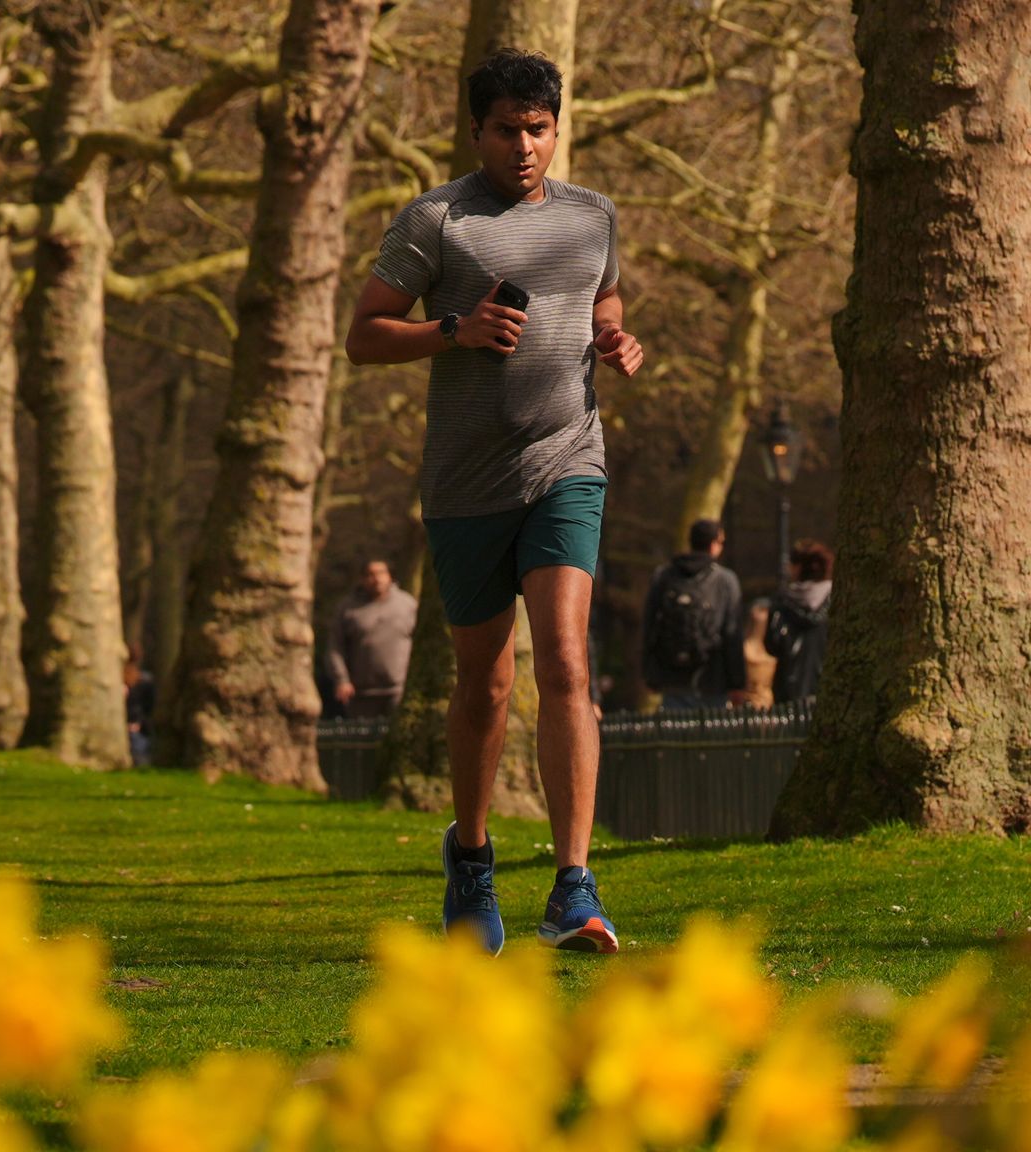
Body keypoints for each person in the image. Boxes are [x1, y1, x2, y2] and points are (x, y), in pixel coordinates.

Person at [345, 48, 643, 954]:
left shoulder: (593, 217)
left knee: (563, 661)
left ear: (558, 130)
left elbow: (605, 304)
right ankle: (471, 863)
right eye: (508, 128)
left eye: (540, 128)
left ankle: (573, 888)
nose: (524, 145)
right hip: (468, 483)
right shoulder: (438, 220)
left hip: (568, 461)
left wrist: (618, 339)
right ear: (477, 131)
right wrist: (454, 328)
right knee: (486, 683)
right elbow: (362, 334)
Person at [642, 519, 747, 711]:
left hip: (672, 677)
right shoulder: (725, 580)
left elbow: (649, 626)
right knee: (711, 738)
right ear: (713, 544)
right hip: (712, 677)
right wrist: (737, 683)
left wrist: (650, 674)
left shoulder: (664, 576)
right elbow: (732, 634)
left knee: (677, 735)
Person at [327, 560, 418, 718]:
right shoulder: (348, 608)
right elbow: (335, 647)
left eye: (381, 573)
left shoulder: (408, 604)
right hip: (360, 694)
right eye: (370, 574)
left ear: (390, 576)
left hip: (400, 690)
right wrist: (341, 679)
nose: (377, 579)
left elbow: (422, 643)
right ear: (362, 579)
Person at [766, 539, 833, 704]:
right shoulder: (835, 600)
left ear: (798, 567)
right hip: (825, 688)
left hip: (787, 689)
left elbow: (772, 645)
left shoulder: (783, 601)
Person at [123, 645, 156, 766]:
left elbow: (147, 707)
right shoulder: (116, 680)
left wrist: (138, 723)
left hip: (136, 728)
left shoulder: (144, 681)